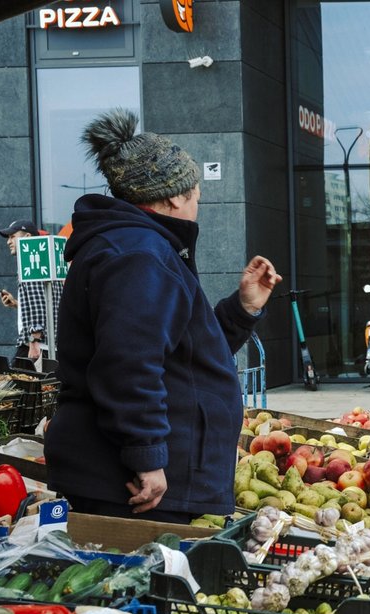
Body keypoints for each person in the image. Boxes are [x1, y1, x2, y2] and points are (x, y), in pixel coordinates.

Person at [45, 109, 281, 523]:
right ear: (172, 196)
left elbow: (181, 354)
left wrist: (243, 309)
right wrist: (147, 456)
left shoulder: (141, 248)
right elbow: (128, 362)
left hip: (142, 479)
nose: (198, 199)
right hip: (136, 487)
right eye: (194, 192)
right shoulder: (139, 255)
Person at [0, 219, 63, 365]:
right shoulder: (46, 262)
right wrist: (17, 304)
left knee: (18, 385)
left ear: (27, 237)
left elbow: (39, 305)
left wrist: (34, 341)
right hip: (49, 344)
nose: (8, 242)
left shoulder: (31, 264)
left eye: (12, 236)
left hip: (36, 346)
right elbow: (45, 302)